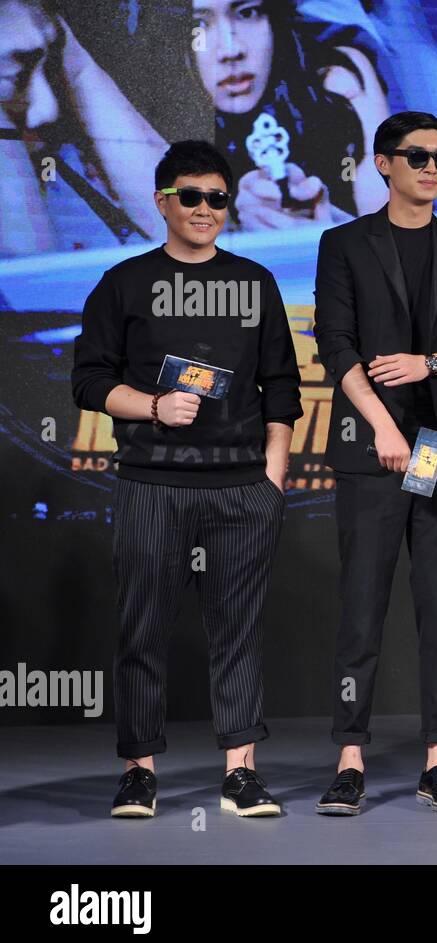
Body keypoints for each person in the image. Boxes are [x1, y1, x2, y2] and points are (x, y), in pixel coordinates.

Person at [71, 139, 302, 818]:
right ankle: (138, 772)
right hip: (152, 480)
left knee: (239, 629)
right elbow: (88, 380)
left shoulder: (256, 281)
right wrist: (151, 406)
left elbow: (282, 383)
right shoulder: (124, 283)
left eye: (218, 198)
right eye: (191, 197)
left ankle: (241, 773)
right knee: (142, 628)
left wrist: (274, 472)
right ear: (162, 202)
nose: (206, 210)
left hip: (240, 485)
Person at [312, 111, 437, 816]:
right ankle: (350, 757)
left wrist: (429, 363)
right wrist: (383, 424)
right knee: (362, 608)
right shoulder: (343, 244)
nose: (432, 169)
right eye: (417, 156)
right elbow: (338, 349)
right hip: (371, 448)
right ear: (383, 163)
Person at [187, 0, 390, 228]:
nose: (231, 50)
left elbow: (393, 241)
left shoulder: (335, 80)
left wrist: (323, 222)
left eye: (247, 13)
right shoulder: (157, 120)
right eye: (199, 24)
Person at [0, 1, 166, 254]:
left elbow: (186, 234)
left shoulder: (66, 161)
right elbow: (32, 285)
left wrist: (77, 67)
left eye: (51, 66)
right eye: (16, 78)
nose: (48, 109)